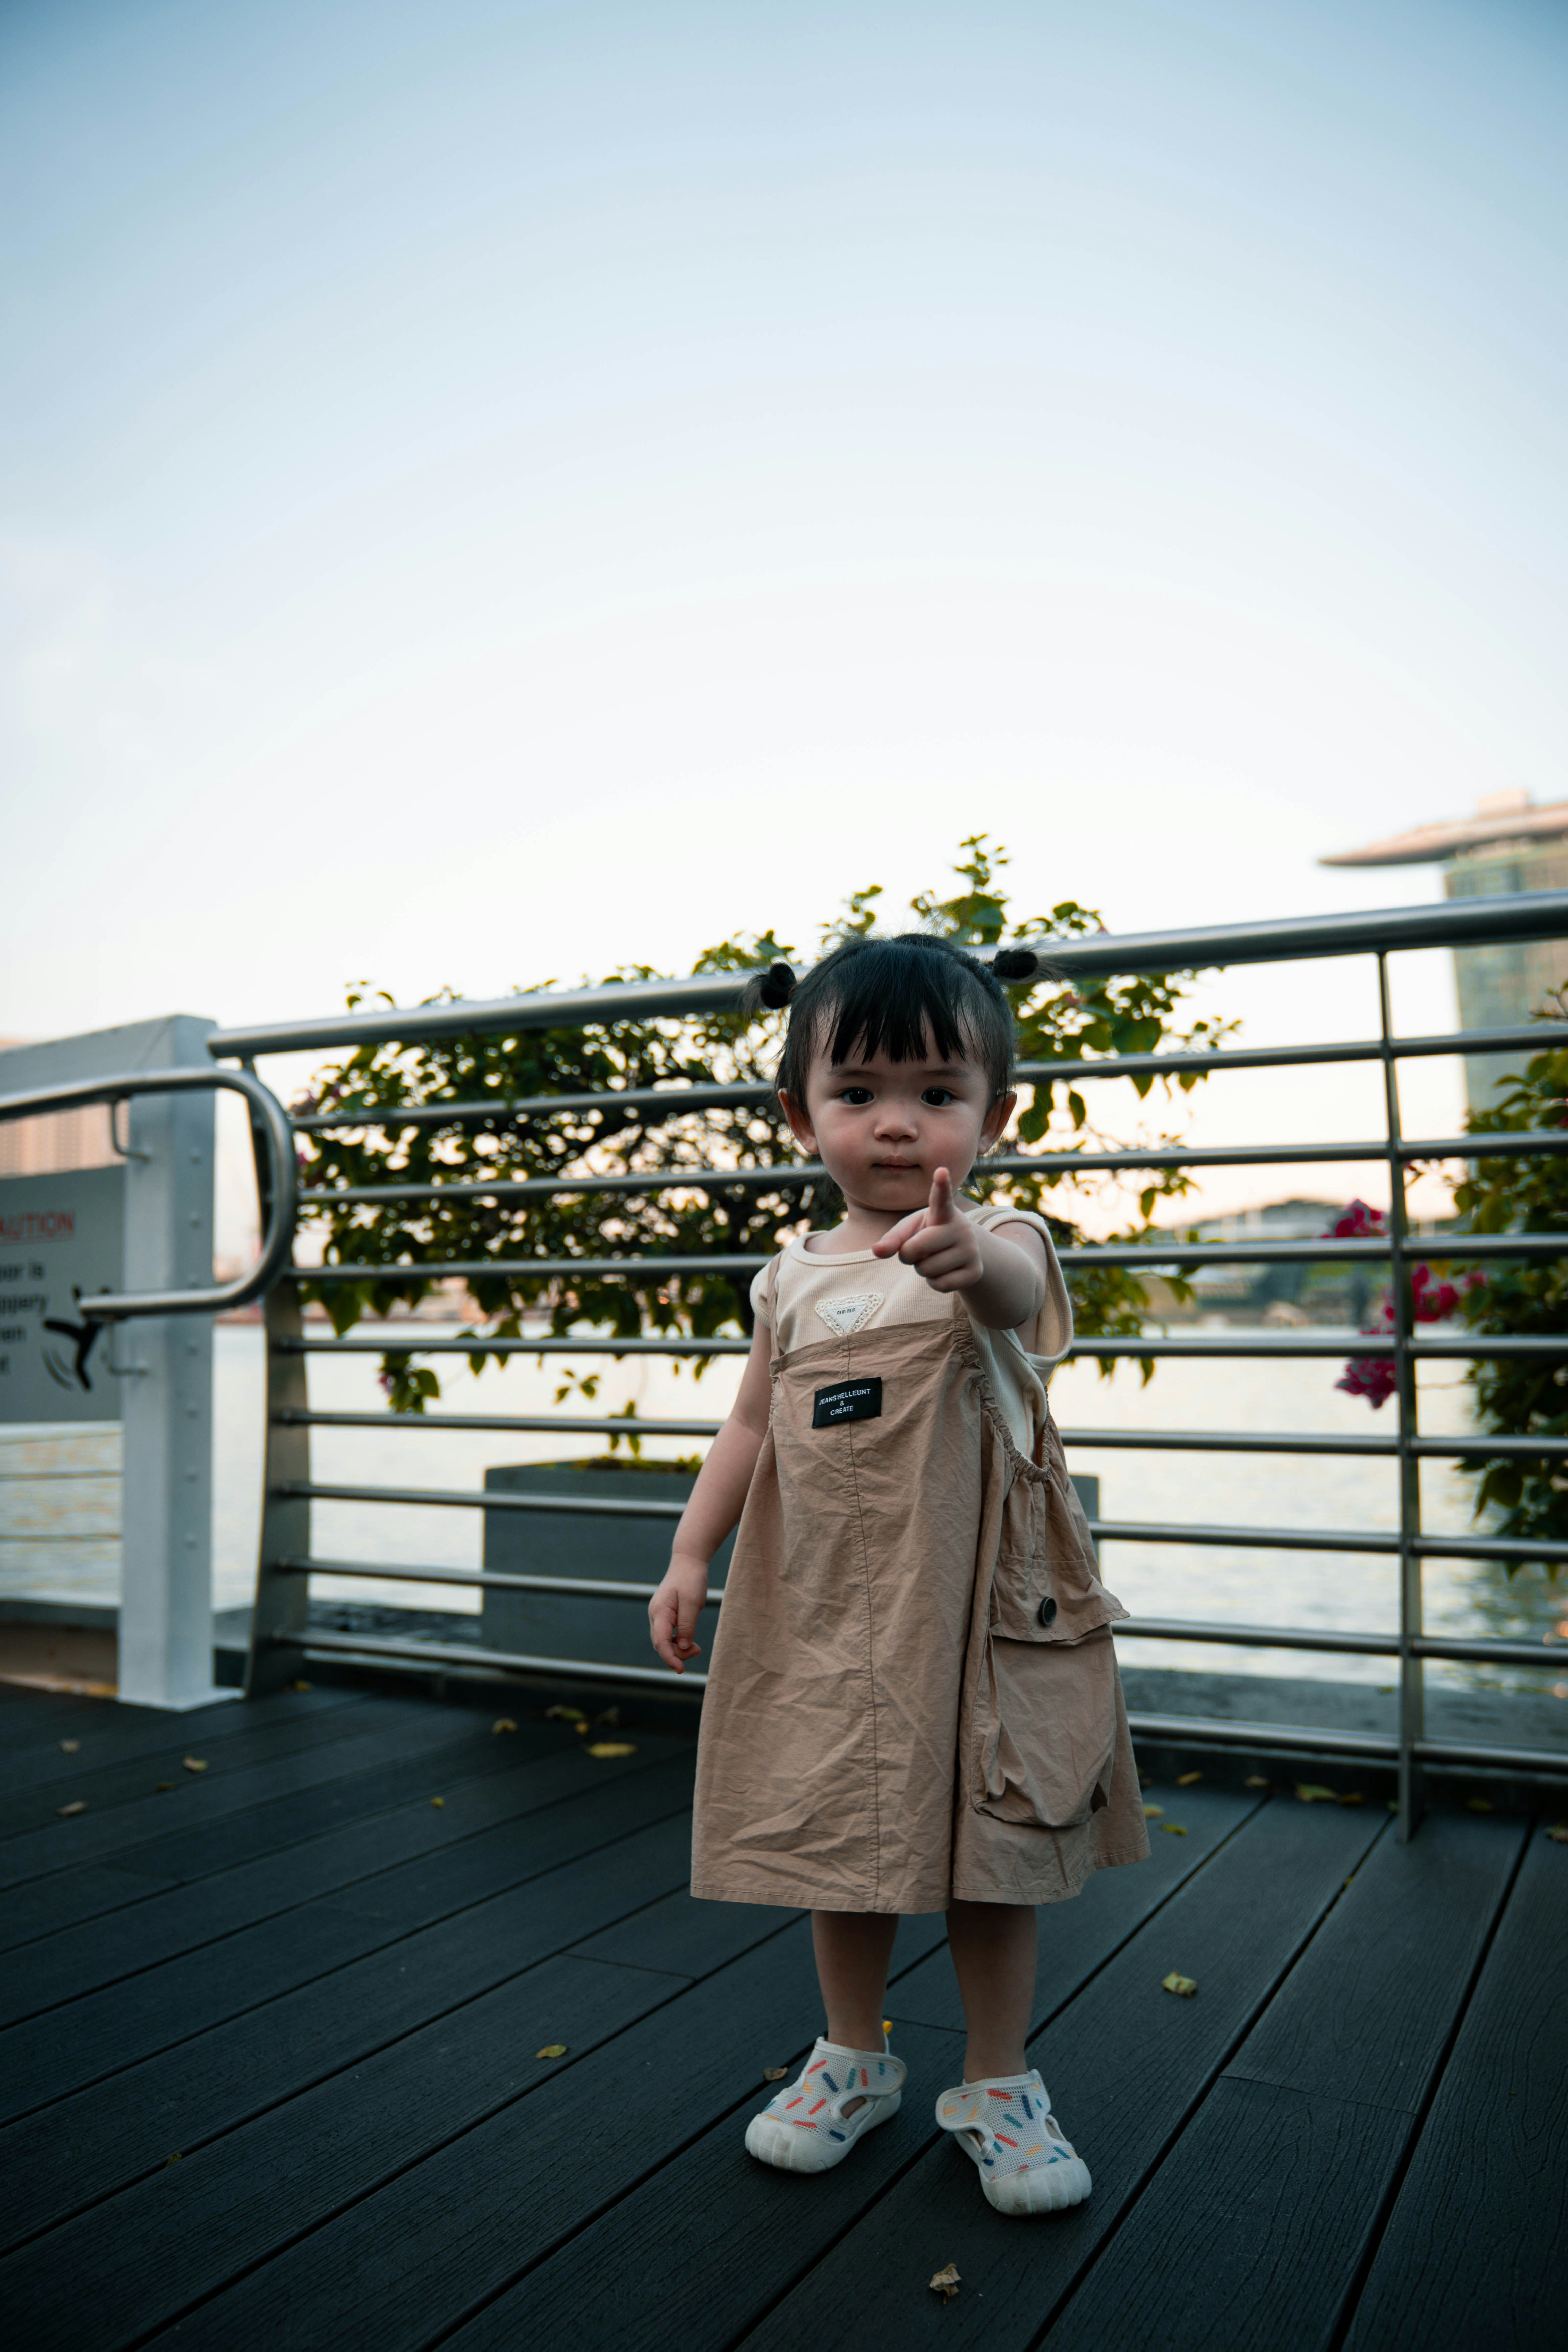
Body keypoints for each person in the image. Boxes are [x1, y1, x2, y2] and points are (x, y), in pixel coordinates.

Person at [648, 933, 1148, 2216]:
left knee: (996, 1844)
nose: (895, 1124)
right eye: (857, 1092)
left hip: (977, 1612)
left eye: (938, 1093)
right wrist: (692, 1551)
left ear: (996, 1115)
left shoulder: (998, 1239)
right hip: (825, 1611)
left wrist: (967, 1257)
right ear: (798, 1114)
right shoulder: (789, 1279)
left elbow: (1017, 1295)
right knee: (837, 1835)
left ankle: (998, 2080)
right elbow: (750, 1426)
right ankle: (851, 2056)